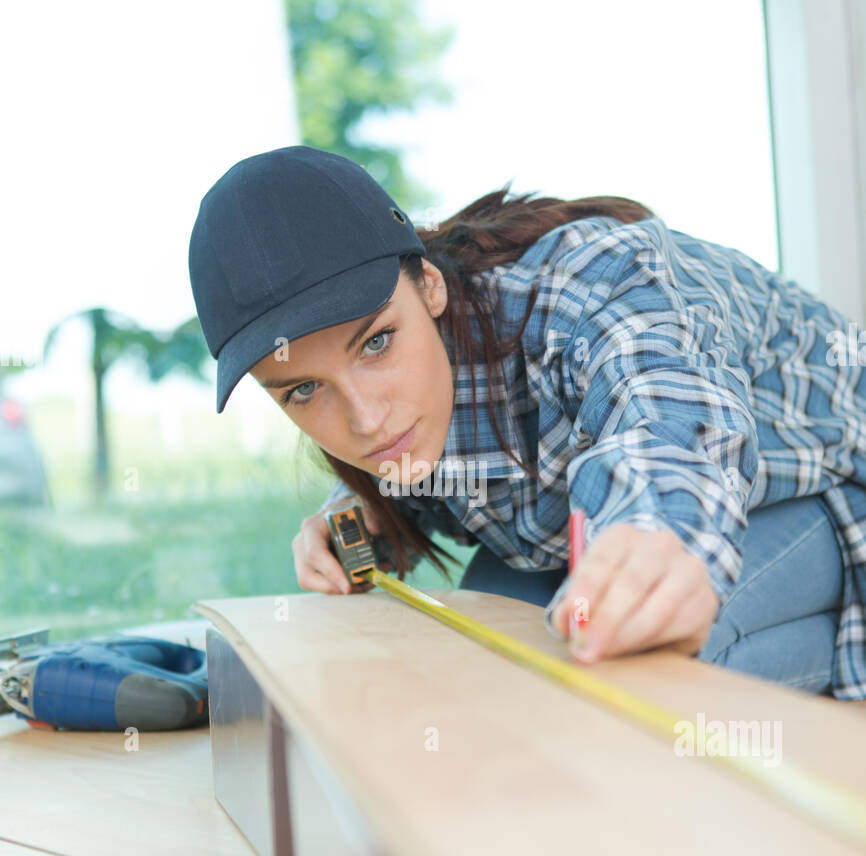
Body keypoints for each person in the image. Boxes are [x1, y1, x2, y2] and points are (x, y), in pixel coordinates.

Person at [188, 144, 866, 700]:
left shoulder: (591, 281)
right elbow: (430, 456)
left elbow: (666, 411)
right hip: (582, 538)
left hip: (831, 496)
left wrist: (659, 532)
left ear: (428, 286)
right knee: (488, 673)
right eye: (304, 390)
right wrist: (364, 516)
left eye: (376, 343)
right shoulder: (402, 413)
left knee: (633, 682)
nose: (365, 421)